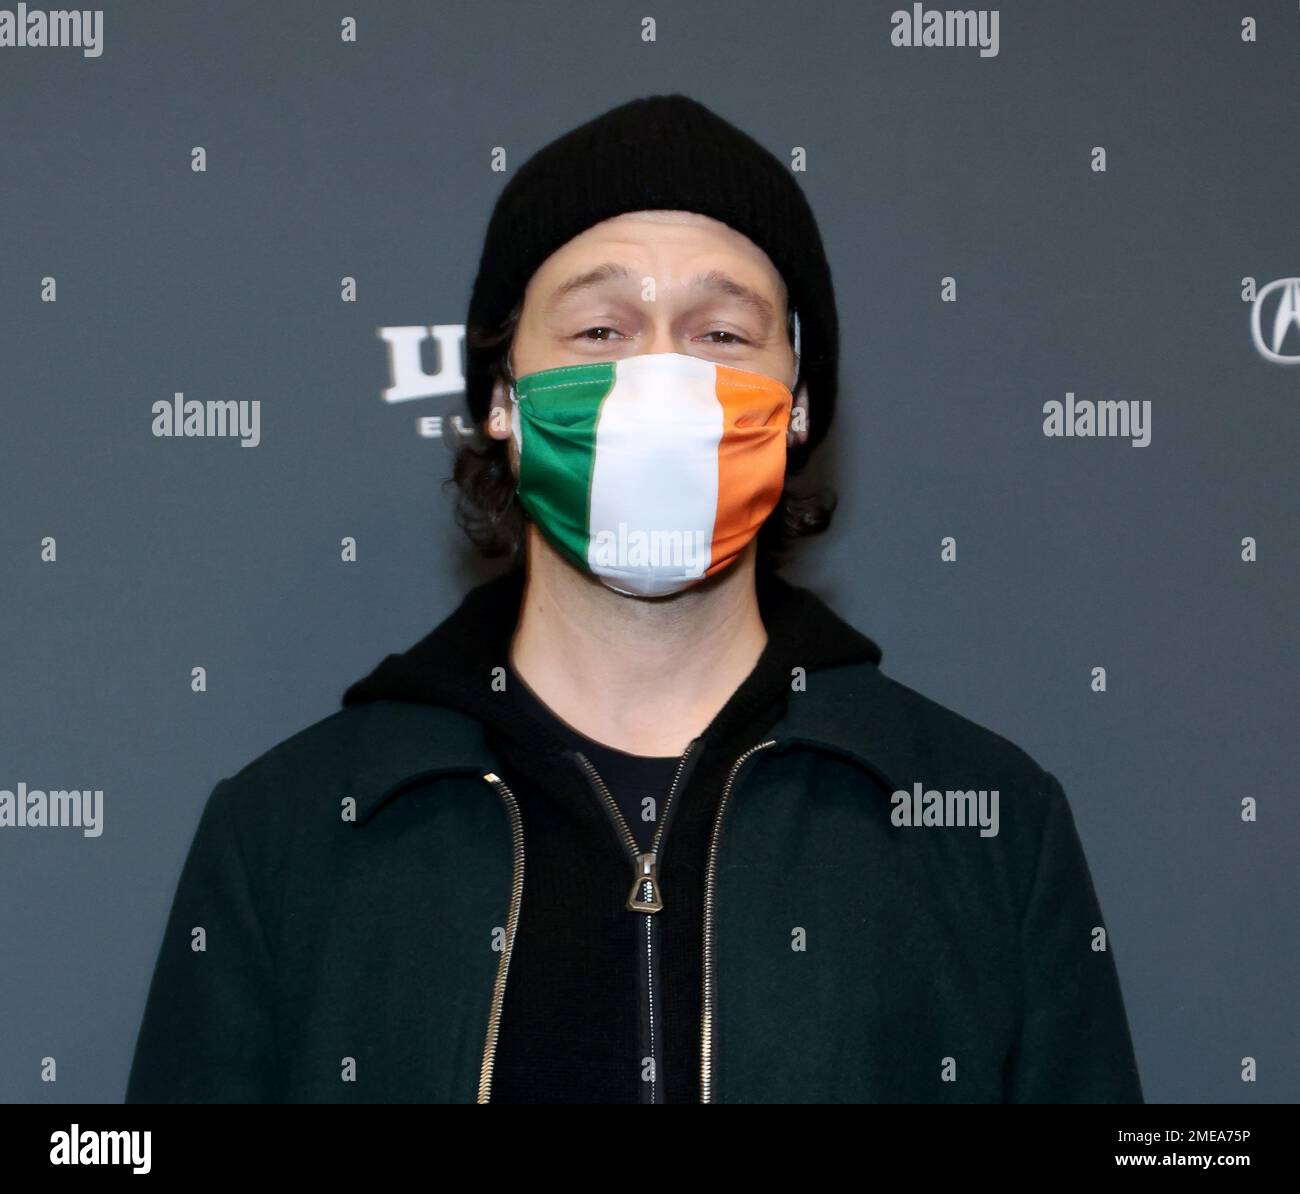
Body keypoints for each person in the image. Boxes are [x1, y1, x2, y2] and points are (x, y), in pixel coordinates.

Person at [125, 93, 1143, 1104]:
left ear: (795, 408)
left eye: (721, 334)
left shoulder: (984, 825)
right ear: (501, 398)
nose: (660, 380)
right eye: (603, 327)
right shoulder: (291, 832)